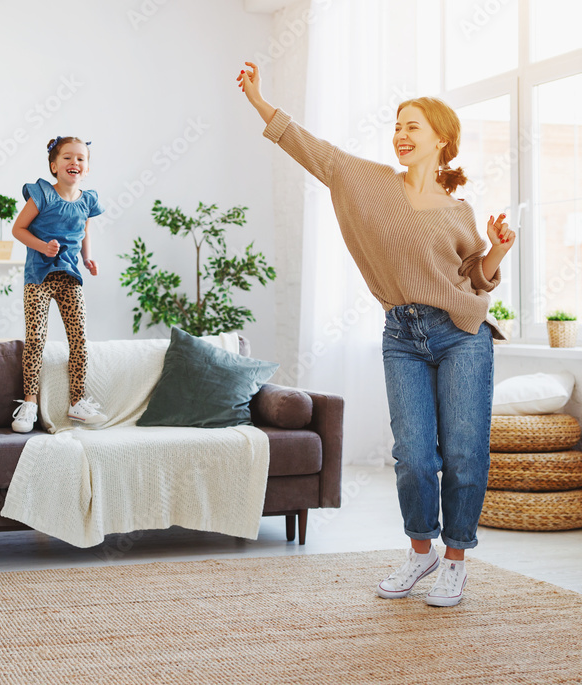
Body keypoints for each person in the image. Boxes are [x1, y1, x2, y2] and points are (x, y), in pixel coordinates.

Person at [237, 62, 515, 607]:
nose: (401, 135)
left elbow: (473, 278)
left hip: (462, 332)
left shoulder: (460, 210)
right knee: (413, 454)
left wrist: (497, 252)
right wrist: (258, 99)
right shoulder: (365, 180)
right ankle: (421, 551)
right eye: (397, 125)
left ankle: (455, 560)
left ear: (442, 139)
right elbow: (309, 147)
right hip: (402, 333)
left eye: (412, 126)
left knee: (462, 453)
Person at [8, 136, 107, 433]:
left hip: (70, 277)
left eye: (80, 158)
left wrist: (88, 259)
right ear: (54, 165)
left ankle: (77, 402)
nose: (74, 162)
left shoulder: (87, 200)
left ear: (87, 168)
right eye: (67, 157)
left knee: (79, 339)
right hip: (39, 277)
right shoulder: (42, 195)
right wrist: (42, 246)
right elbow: (18, 229)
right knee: (36, 338)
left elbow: (84, 231)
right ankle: (29, 404)